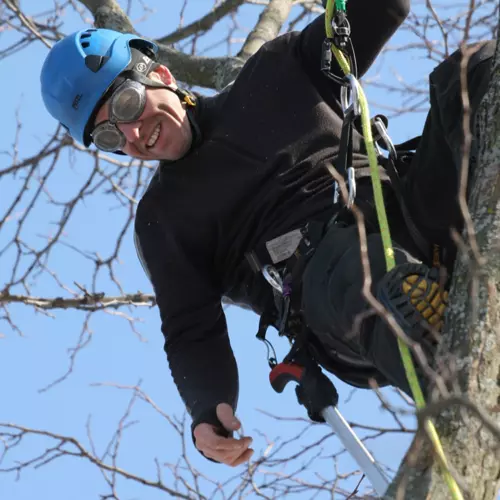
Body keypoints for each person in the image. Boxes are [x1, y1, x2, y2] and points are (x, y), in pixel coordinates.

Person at [40, 0, 494, 467]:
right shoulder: (163, 221)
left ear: (161, 74)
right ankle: (450, 368)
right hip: (338, 293)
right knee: (353, 264)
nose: (133, 135)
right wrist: (206, 409)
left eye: (127, 105)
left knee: (473, 71)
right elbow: (191, 331)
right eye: (112, 138)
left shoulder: (276, 73)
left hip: (413, 216)